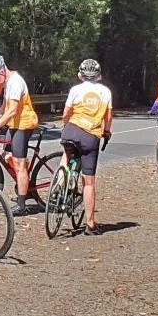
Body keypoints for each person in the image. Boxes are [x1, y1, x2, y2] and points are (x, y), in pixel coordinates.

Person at [0, 53, 39, 215]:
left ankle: (22, 204)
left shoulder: (15, 82)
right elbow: (3, 109)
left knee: (18, 164)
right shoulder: (8, 82)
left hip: (24, 125)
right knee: (6, 155)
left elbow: (11, 111)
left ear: (0, 71)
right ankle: (25, 181)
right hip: (14, 124)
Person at [60, 59, 112, 236]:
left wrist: (66, 125)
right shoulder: (105, 91)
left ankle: (59, 184)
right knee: (88, 181)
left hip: (71, 130)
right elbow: (108, 117)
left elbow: (66, 113)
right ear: (99, 76)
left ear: (80, 75)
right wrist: (106, 132)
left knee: (67, 154)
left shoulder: (75, 90)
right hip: (91, 136)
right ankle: (90, 224)